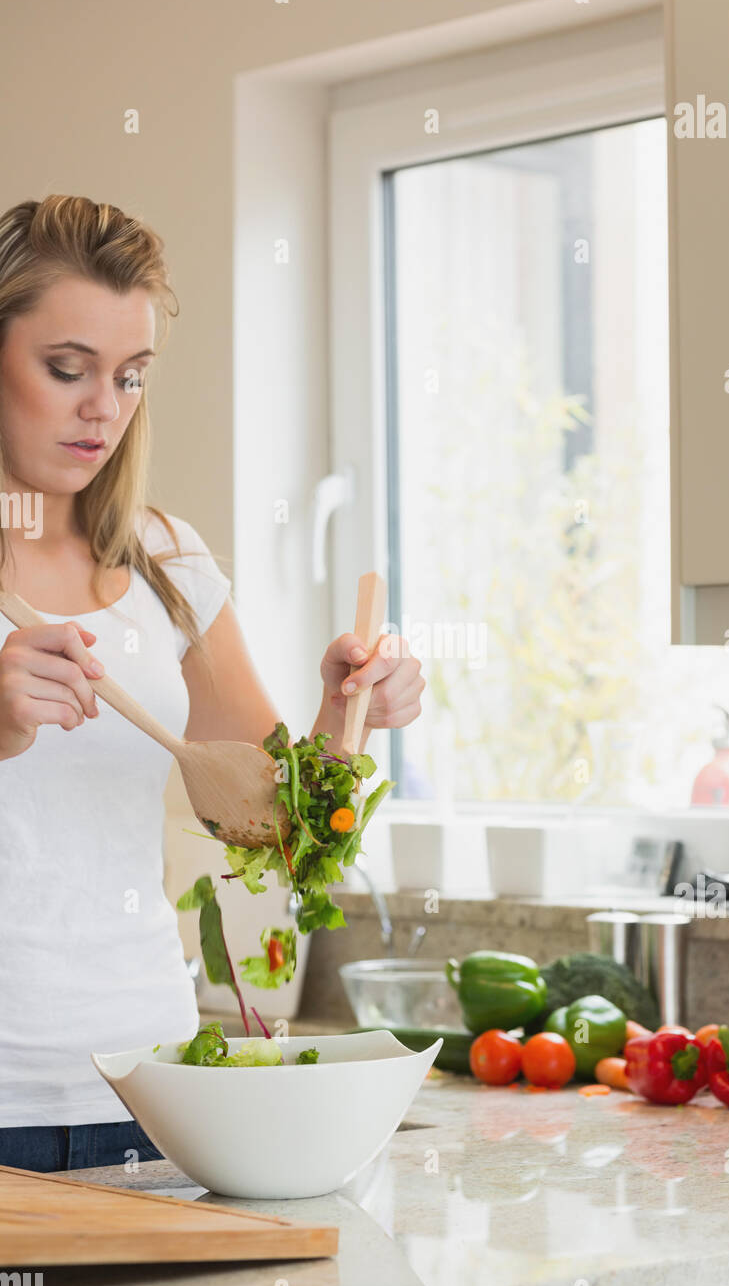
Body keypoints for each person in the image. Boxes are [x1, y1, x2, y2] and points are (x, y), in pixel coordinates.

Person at [0, 195, 425, 1174]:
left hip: (148, 1088)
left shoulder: (165, 561)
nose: (101, 406)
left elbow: (273, 829)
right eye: (65, 369)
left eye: (128, 375)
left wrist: (346, 708)